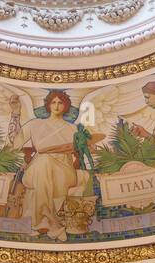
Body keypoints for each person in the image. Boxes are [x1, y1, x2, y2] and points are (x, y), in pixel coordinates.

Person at [14, 90, 102, 242]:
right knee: (44, 163)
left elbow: (88, 148)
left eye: (60, 102)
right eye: (53, 102)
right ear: (48, 105)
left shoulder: (73, 129)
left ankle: (41, 222)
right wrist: (15, 114)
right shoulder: (35, 124)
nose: (56, 105)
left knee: (45, 164)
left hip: (64, 170)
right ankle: (48, 222)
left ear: (65, 106)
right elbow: (15, 142)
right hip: (37, 168)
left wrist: (87, 147)